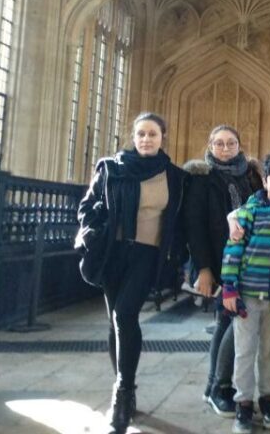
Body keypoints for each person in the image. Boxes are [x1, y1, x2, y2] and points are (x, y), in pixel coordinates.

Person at [77, 113, 187, 434]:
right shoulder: (112, 168)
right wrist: (95, 231)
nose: (146, 139)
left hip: (147, 254)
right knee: (116, 322)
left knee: (125, 315)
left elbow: (179, 220)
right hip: (114, 252)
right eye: (140, 134)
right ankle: (125, 390)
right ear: (133, 136)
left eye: (152, 134)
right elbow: (87, 207)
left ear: (162, 137)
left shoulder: (175, 176)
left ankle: (122, 393)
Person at [183, 125, 263, 417]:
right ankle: (220, 387)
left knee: (227, 322)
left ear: (240, 146)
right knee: (229, 320)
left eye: (231, 143)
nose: (225, 148)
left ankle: (213, 386)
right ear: (210, 145)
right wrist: (203, 268)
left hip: (250, 260)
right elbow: (195, 226)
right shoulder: (201, 178)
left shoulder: (251, 175)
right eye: (219, 143)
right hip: (219, 261)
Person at [222, 153, 270, 434]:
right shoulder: (249, 210)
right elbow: (233, 248)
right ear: (264, 181)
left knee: (268, 349)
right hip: (248, 292)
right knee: (244, 350)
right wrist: (229, 287)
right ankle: (243, 403)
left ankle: (267, 398)